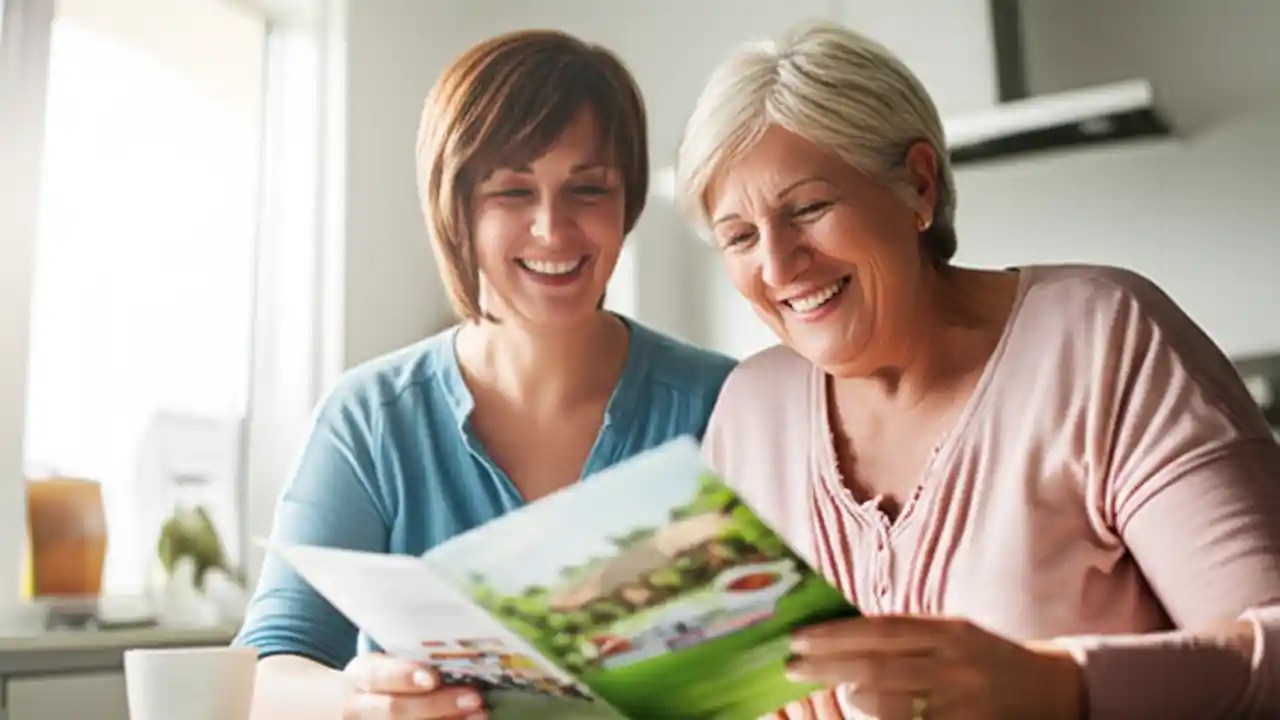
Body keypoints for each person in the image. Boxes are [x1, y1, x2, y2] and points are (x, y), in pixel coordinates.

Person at [676, 21, 1280, 720]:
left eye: (809, 207)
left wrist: (1060, 684)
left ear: (918, 186)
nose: (779, 266)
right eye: (741, 237)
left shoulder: (1103, 339)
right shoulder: (750, 413)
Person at [236, 29, 735, 720]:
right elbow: (264, 677)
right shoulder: (372, 418)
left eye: (588, 189)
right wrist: (366, 704)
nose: (553, 229)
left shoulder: (726, 404)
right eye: (511, 192)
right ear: (455, 210)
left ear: (629, 205)